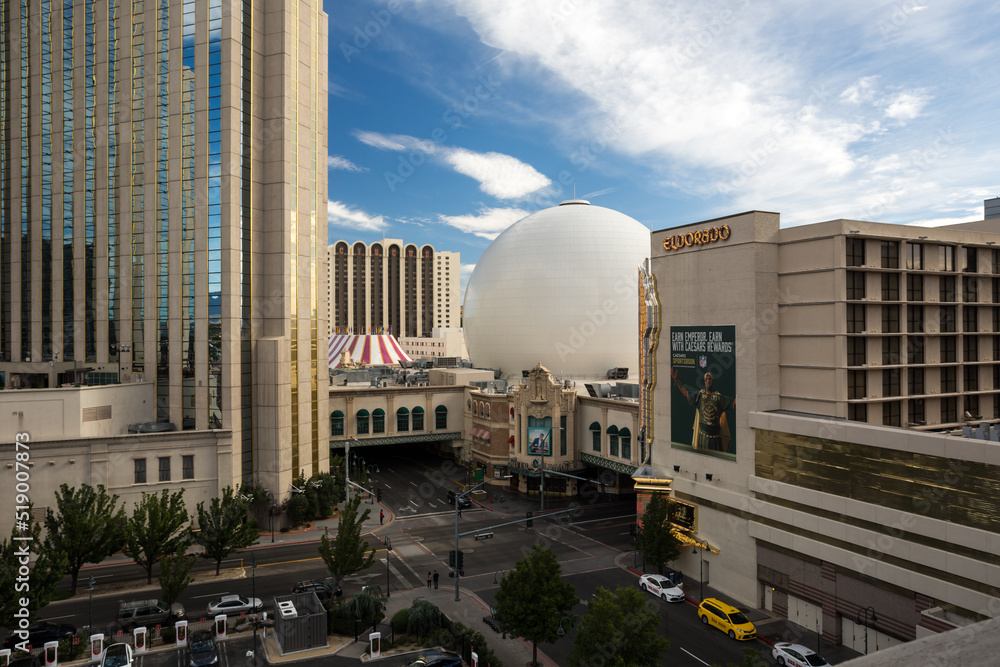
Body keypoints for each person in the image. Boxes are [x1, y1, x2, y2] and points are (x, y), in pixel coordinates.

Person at [670, 368, 736, 452]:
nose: (708, 381)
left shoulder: (719, 397)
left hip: (715, 438)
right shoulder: (700, 395)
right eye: (706, 379)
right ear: (704, 382)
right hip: (703, 436)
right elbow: (686, 393)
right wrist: (676, 380)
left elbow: (733, 402)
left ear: (712, 381)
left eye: (709, 379)